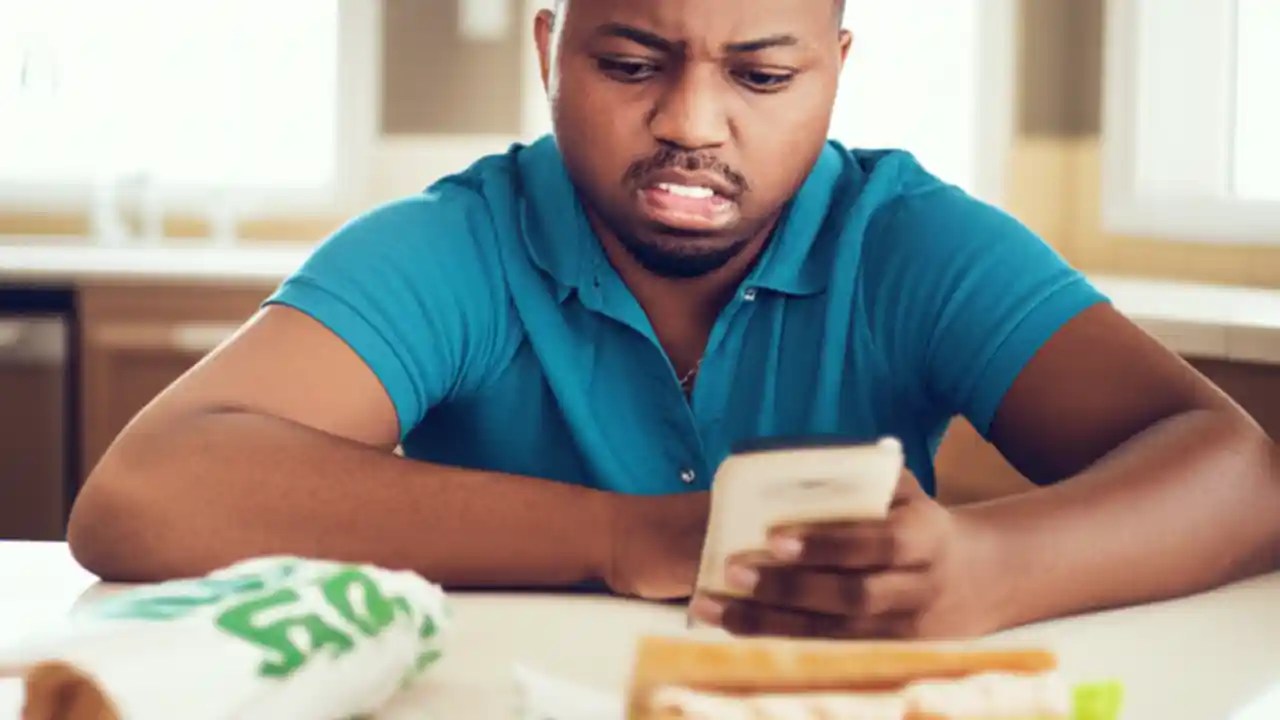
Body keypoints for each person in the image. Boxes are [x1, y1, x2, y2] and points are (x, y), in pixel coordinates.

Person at [68, 0, 1279, 639]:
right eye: (632, 63)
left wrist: (991, 567)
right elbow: (144, 496)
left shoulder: (905, 239)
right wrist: (632, 536)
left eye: (761, 77)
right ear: (549, 51)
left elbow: (1237, 472)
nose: (693, 123)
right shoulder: (457, 244)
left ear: (836, 69)